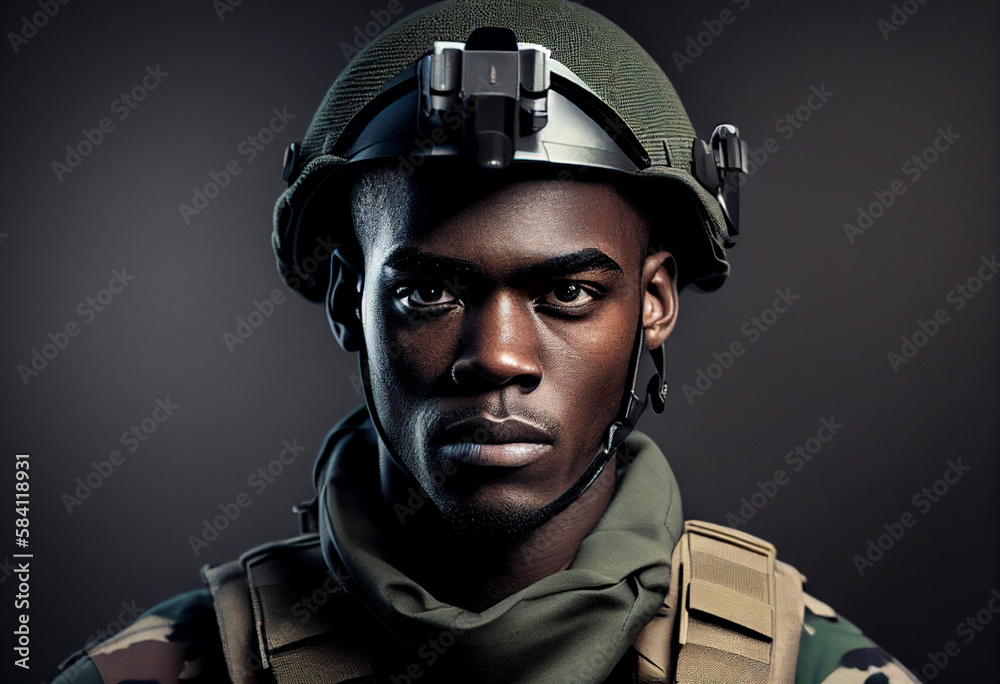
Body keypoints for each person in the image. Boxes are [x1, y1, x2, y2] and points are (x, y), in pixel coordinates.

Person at [53, 1, 920, 682]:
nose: (498, 356)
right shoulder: (167, 669)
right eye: (429, 291)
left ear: (654, 303)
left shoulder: (807, 671)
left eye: (567, 293)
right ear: (349, 302)